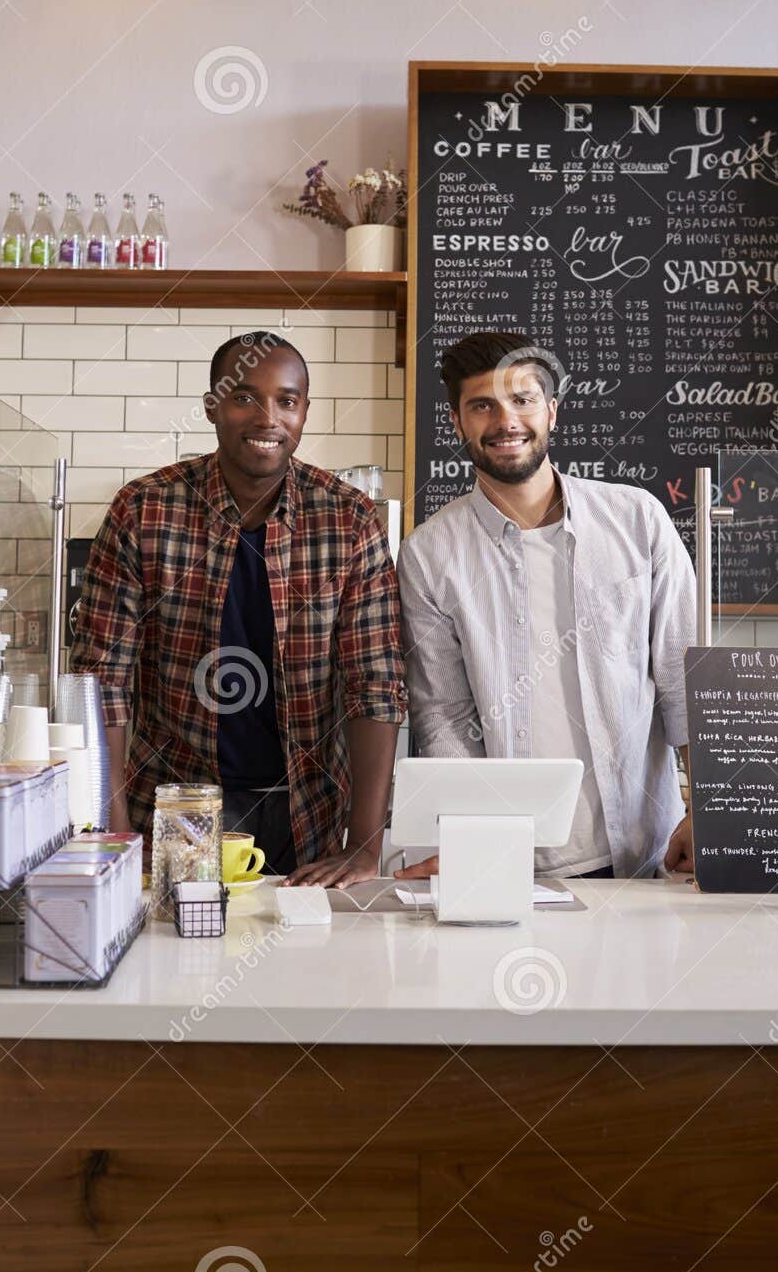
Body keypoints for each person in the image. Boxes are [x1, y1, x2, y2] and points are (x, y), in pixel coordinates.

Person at [71, 331, 407, 887]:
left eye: (287, 400)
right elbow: (101, 682)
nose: (267, 418)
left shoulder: (348, 519)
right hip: (177, 813)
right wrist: (116, 833)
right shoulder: (144, 510)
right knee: (178, 970)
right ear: (212, 406)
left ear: (304, 412)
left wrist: (364, 844)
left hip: (312, 814)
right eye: (244, 397)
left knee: (309, 969)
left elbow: (375, 682)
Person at [396, 330, 696, 883]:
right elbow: (444, 716)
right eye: (482, 405)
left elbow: (685, 679)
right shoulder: (430, 554)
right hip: (510, 859)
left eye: (523, 400)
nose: (505, 421)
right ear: (457, 422)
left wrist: (707, 809)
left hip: (647, 852)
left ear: (551, 411)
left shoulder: (638, 521)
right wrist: (467, 839)